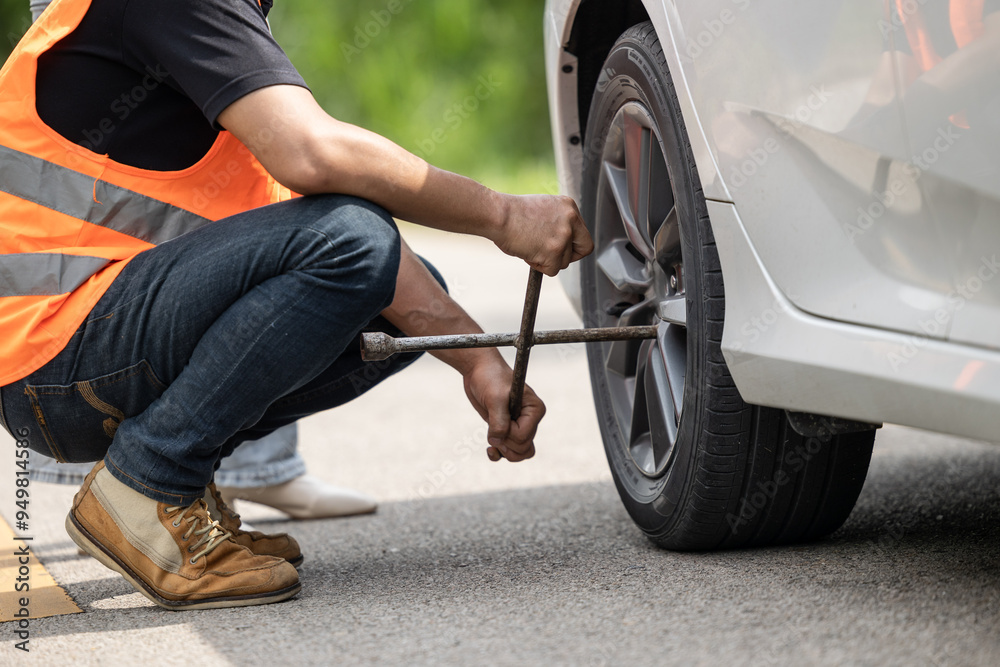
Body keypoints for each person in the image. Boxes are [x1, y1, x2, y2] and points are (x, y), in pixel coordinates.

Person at [0, 0, 591, 611]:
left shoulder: (208, 33)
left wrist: (478, 361)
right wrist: (504, 214)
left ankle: (179, 486)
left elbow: (296, 200)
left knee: (384, 292)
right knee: (356, 242)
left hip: (74, 361)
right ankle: (149, 483)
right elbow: (314, 156)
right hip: (56, 362)